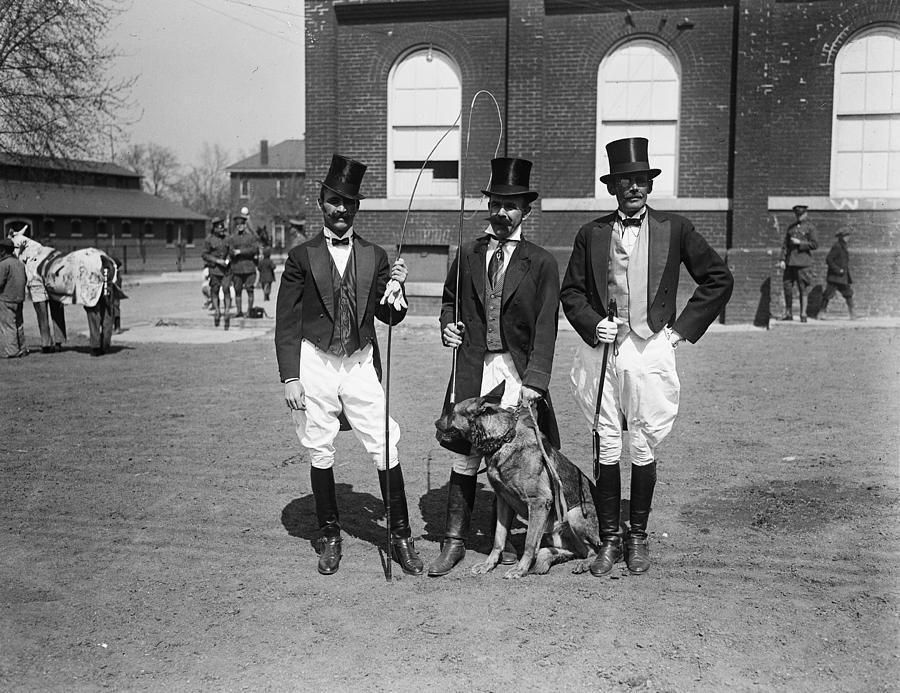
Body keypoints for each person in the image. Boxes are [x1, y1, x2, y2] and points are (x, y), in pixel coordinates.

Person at [560, 137, 733, 577]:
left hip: (649, 345)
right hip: (601, 347)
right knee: (606, 438)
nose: (632, 188)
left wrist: (679, 331)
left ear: (648, 185)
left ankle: (637, 536)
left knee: (641, 439)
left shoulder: (675, 229)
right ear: (613, 186)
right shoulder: (591, 234)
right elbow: (572, 292)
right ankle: (611, 541)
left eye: (640, 180)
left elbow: (717, 279)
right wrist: (589, 321)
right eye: (624, 181)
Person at [275, 153, 422, 576]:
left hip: (359, 363)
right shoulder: (301, 257)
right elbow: (286, 322)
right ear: (322, 201)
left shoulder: (374, 256)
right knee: (319, 447)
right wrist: (291, 377)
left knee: (384, 443)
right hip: (315, 362)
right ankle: (330, 535)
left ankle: (400, 537)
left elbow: (389, 316)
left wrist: (397, 290)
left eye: (349, 203)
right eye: (335, 200)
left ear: (357, 208)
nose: (342, 209)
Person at [428, 157, 561, 578]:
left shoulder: (540, 262)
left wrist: (535, 381)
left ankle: (511, 540)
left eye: (512, 206)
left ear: (525, 211)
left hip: (515, 371)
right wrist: (449, 326)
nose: (502, 213)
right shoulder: (469, 253)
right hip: (473, 366)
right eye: (497, 204)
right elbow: (450, 299)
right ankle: (454, 543)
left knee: (518, 453)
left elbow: (546, 326)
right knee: (465, 450)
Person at [780, 204, 818, 322]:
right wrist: (782, 259)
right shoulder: (791, 228)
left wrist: (800, 242)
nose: (799, 217)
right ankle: (788, 313)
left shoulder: (810, 228)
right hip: (790, 262)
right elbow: (785, 245)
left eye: (801, 215)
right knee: (787, 288)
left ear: (806, 214)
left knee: (803, 288)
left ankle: (803, 314)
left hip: (803, 263)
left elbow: (814, 244)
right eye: (797, 215)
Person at [201, 217, 232, 328]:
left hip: (226, 270)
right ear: (214, 228)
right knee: (215, 290)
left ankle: (227, 312)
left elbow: (230, 251)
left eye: (222, 227)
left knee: (226, 288)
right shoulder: (209, 240)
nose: (221, 229)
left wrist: (227, 260)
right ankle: (217, 311)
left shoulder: (227, 238)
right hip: (215, 269)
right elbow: (204, 254)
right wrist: (217, 261)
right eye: (219, 228)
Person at [819, 228, 856, 320]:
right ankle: (821, 313)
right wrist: (838, 270)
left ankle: (853, 314)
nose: (847, 238)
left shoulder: (844, 246)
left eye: (848, 235)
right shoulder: (837, 246)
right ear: (841, 237)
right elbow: (829, 259)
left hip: (843, 277)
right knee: (828, 294)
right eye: (845, 236)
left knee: (848, 294)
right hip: (835, 277)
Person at [0, 238, 28, 358]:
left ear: (3, 251)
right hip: (19, 298)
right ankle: (22, 348)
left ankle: (11, 351)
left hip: (6, 298)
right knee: (19, 324)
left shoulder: (3, 264)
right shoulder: (20, 264)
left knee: (8, 326)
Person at [228, 212, 259, 317]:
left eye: (242, 224)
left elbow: (254, 249)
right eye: (238, 225)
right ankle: (239, 311)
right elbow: (230, 250)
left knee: (250, 289)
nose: (240, 227)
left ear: (245, 225)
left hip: (249, 267)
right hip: (236, 268)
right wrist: (233, 252)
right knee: (238, 290)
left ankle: (249, 311)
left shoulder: (251, 237)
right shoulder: (232, 238)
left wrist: (241, 251)